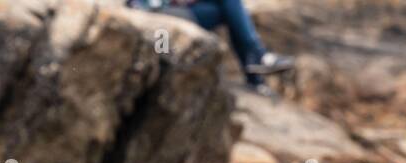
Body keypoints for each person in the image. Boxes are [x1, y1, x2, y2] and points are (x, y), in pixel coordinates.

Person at [125, 0, 294, 96]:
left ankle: (256, 66)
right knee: (230, 7)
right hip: (159, 13)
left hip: (176, 9)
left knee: (228, 9)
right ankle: (256, 63)